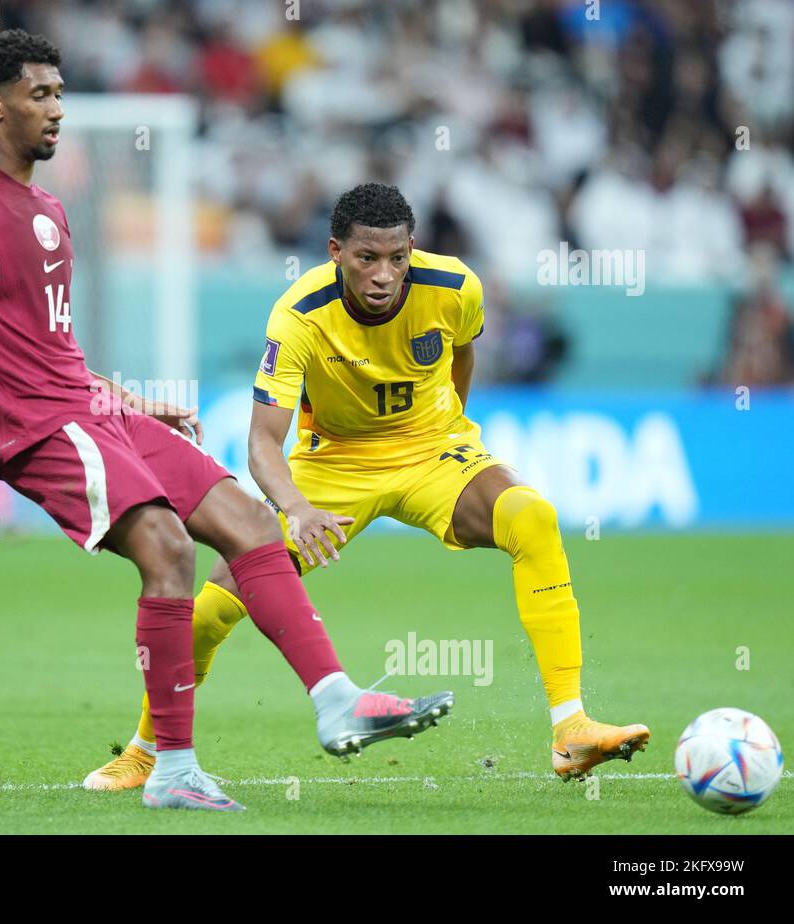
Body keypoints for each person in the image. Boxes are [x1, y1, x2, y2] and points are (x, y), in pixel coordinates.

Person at [0, 30, 453, 813]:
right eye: (40, 95)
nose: (57, 110)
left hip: (87, 408)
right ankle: (172, 769)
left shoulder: (47, 209)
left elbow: (54, 350)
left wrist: (132, 403)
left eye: (62, 94)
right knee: (168, 552)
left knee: (249, 520)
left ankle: (337, 698)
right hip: (35, 429)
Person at [86, 183, 649, 791]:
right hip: (333, 470)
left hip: (433, 452)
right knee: (212, 610)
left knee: (532, 516)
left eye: (397, 258)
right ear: (335, 251)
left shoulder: (457, 287)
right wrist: (296, 508)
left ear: (413, 249)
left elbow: (462, 353)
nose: (385, 274)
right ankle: (147, 750)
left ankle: (570, 726)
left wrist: (449, 430)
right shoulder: (299, 316)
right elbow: (261, 443)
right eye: (367, 259)